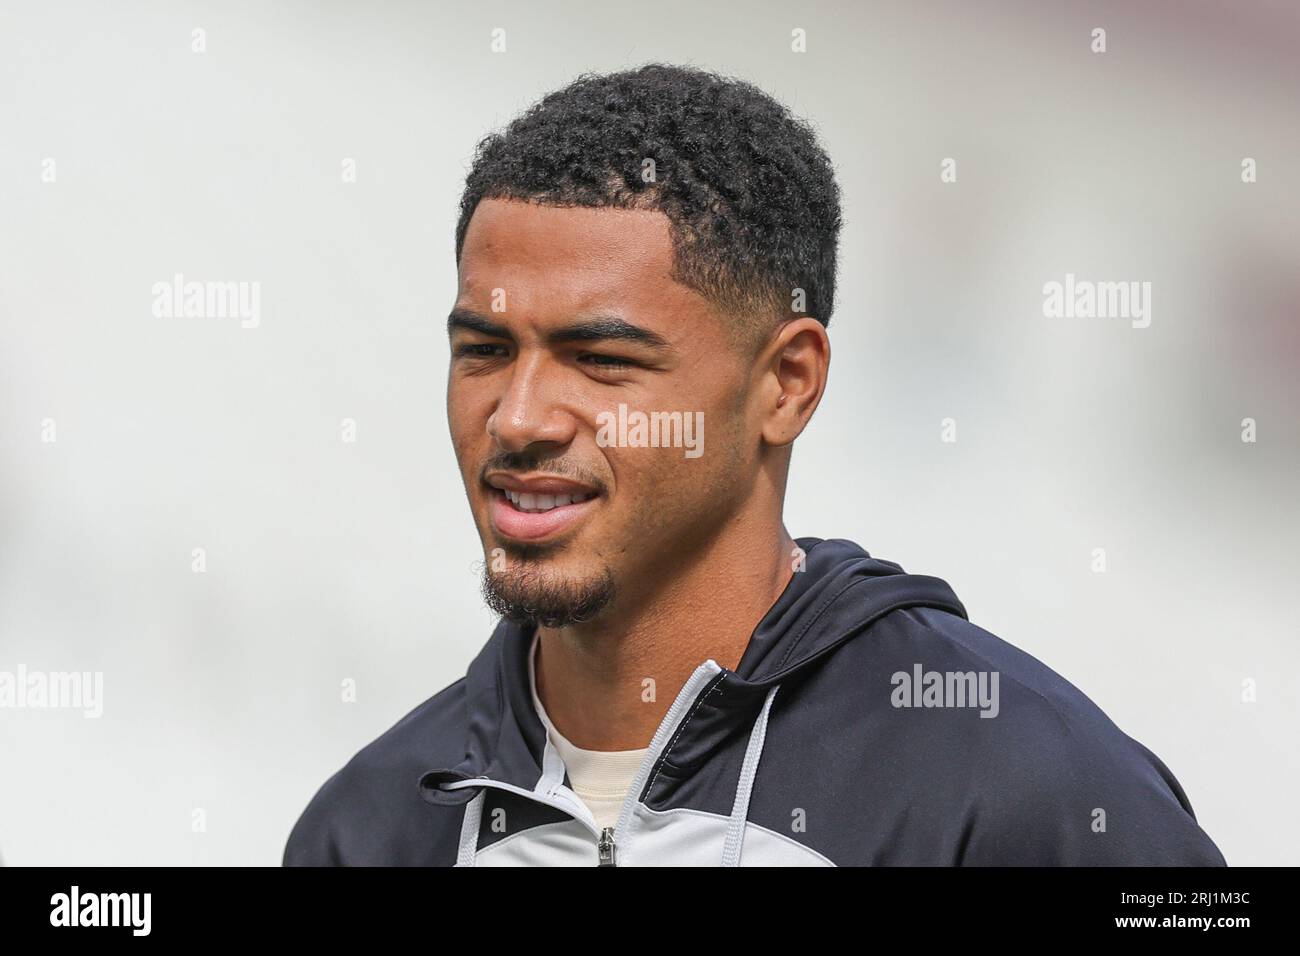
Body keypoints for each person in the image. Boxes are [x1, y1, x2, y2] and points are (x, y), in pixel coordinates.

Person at [283, 63, 1226, 866]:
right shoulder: (372, 828)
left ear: (786, 384)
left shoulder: (1020, 792)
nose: (518, 418)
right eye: (484, 351)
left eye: (602, 361)